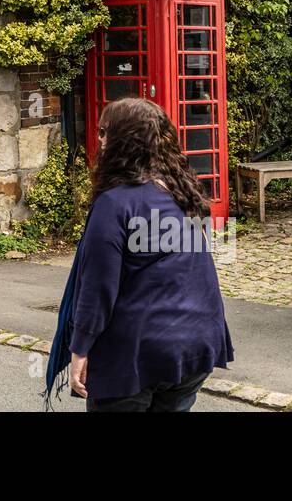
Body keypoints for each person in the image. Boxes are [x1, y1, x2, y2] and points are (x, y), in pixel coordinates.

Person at [46, 97, 232, 411]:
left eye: (105, 132)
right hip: (195, 344)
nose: (100, 140)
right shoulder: (184, 192)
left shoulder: (115, 203)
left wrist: (79, 350)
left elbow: (97, 287)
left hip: (135, 352)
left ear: (122, 142)